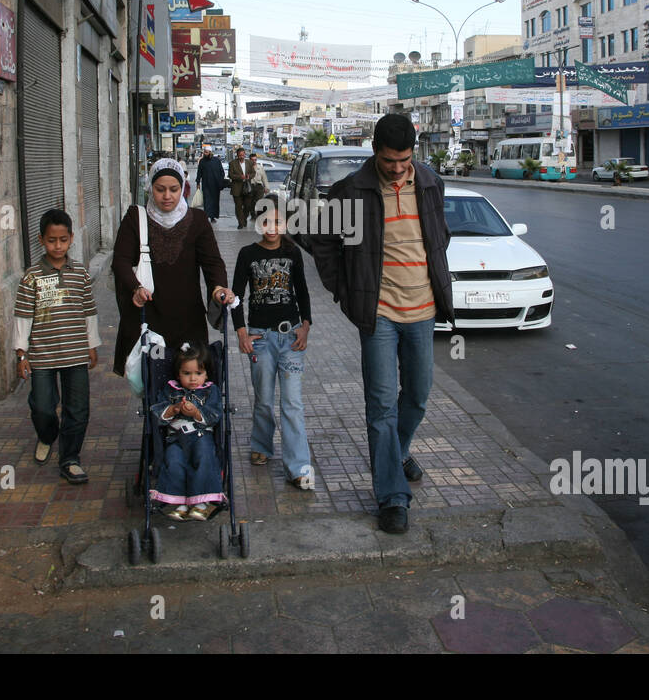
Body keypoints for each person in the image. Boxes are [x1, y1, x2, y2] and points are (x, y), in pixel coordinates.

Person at [309, 113, 453, 535]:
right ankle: (392, 497)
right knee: (382, 404)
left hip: (423, 309)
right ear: (376, 151)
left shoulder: (429, 183)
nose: (397, 167)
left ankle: (397, 450)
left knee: (419, 396)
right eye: (390, 160)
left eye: (404, 159)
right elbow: (323, 243)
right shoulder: (350, 190)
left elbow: (439, 237)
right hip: (378, 314)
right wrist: (345, 292)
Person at [111, 157, 234, 378]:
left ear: (182, 188)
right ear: (150, 188)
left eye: (174, 189)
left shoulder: (197, 220)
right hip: (150, 315)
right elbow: (120, 260)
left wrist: (218, 287)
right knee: (155, 379)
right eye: (160, 189)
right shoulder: (135, 218)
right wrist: (134, 287)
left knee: (191, 377)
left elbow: (212, 262)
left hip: (188, 317)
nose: (167, 196)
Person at [232, 195, 314, 489]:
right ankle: (261, 444)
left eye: (277, 221)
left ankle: (299, 466)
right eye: (266, 221)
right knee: (264, 400)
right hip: (261, 338)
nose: (272, 227)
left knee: (292, 402)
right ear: (257, 223)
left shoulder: (293, 253)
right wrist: (241, 332)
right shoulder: (246, 255)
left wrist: (305, 327)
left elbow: (302, 292)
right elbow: (236, 297)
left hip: (290, 336)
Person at [14, 209, 100, 485]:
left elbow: (89, 311)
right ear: (41, 240)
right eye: (52, 240)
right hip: (42, 355)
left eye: (63, 240)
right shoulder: (31, 277)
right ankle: (47, 435)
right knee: (43, 407)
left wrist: (92, 345)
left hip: (75, 353)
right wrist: (21, 353)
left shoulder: (81, 275)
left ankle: (70, 459)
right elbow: (23, 316)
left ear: (71, 239)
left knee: (78, 408)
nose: (58, 246)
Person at [150, 343, 225, 520]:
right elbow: (157, 412)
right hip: (176, 437)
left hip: (201, 435)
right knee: (174, 461)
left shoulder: (209, 391)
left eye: (198, 373)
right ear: (178, 374)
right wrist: (174, 409)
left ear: (206, 374)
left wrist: (197, 413)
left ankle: (200, 501)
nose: (193, 379)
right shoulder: (171, 389)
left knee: (204, 457)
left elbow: (215, 414)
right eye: (187, 373)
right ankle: (179, 501)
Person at [197, 144, 225, 223]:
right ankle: (206, 216)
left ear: (210, 152)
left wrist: (220, 181)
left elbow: (222, 172)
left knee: (215, 201)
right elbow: (199, 172)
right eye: (204, 152)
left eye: (206, 152)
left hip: (215, 185)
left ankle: (213, 217)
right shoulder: (202, 161)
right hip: (206, 185)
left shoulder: (217, 161)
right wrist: (198, 182)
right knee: (207, 201)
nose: (205, 154)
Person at [228, 147, 256, 228]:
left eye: (243, 155)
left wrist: (248, 176)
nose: (242, 157)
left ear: (245, 155)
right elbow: (230, 175)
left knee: (247, 206)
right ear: (237, 155)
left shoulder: (249, 163)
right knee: (238, 207)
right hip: (237, 189)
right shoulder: (232, 163)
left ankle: (244, 219)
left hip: (247, 188)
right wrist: (240, 177)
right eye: (240, 155)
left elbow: (253, 173)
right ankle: (240, 223)